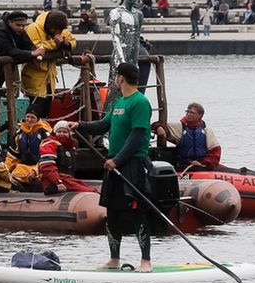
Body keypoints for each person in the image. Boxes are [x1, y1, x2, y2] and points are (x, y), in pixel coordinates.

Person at [59, 62, 154, 271]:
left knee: (137, 212)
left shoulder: (140, 102)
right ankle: (114, 259)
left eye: (115, 77)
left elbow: (137, 137)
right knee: (112, 212)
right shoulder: (119, 102)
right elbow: (104, 125)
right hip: (114, 164)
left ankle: (146, 261)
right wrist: (80, 125)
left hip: (132, 163)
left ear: (121, 78)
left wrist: (117, 160)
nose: (114, 80)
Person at [21, 9, 86, 119]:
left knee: (47, 106)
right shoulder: (33, 28)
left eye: (60, 31)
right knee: (36, 107)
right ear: (49, 26)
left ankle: (42, 131)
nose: (58, 33)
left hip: (50, 76)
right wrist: (55, 43)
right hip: (34, 76)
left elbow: (73, 42)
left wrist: (67, 44)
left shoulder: (60, 30)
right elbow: (37, 48)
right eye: (56, 30)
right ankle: (29, 131)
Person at [152, 102, 222, 171]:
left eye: (192, 113)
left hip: (202, 166)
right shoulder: (179, 127)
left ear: (200, 115)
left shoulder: (207, 131)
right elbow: (155, 125)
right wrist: (159, 127)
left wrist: (202, 163)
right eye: (187, 112)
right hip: (183, 166)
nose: (188, 114)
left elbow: (215, 152)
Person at [38, 124, 94, 195]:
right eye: (59, 131)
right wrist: (58, 182)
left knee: (93, 190)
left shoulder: (70, 147)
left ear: (69, 134)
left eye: (65, 132)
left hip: (67, 179)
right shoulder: (50, 144)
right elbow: (47, 166)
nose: (62, 134)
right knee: (88, 192)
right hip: (53, 182)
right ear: (55, 133)